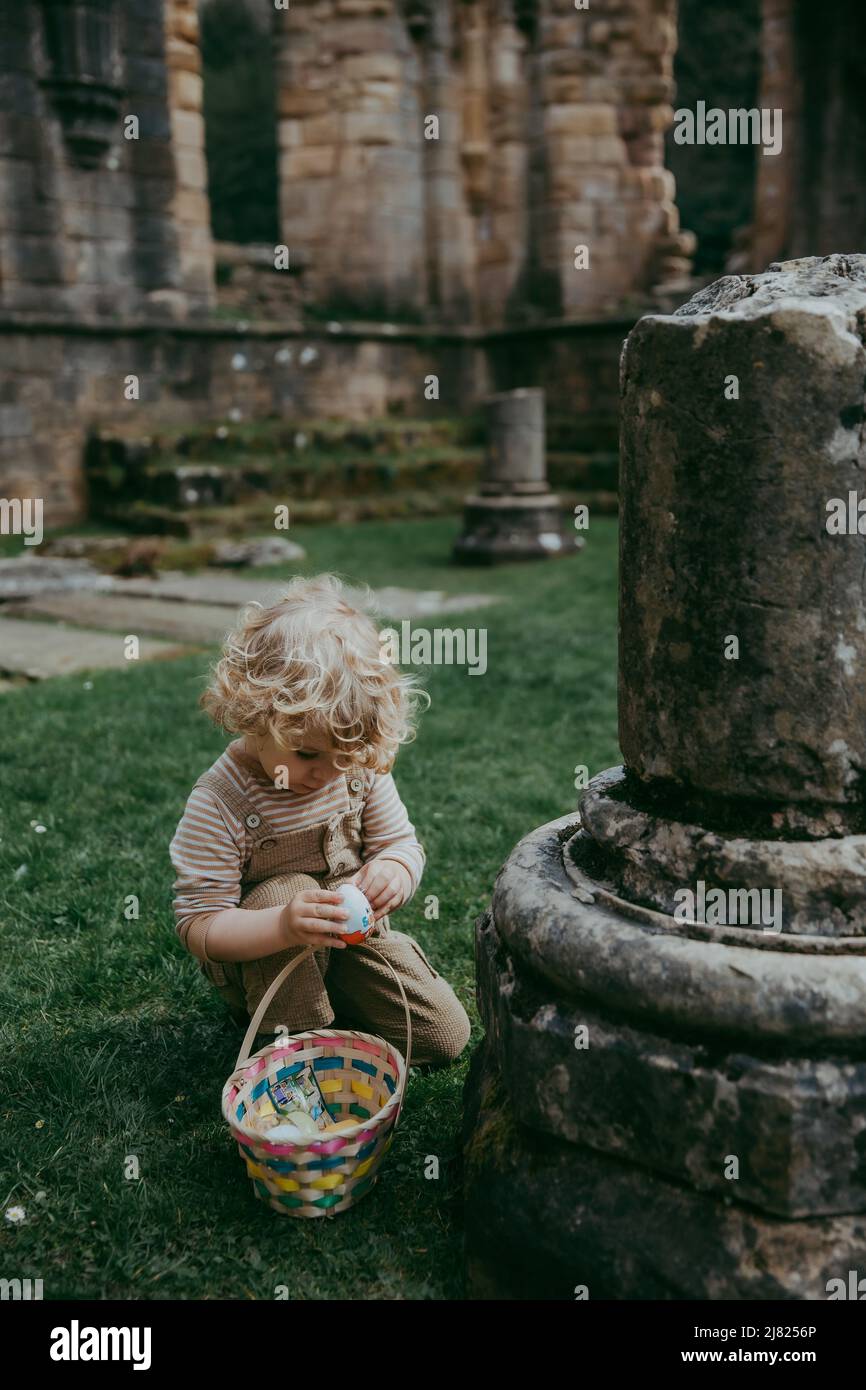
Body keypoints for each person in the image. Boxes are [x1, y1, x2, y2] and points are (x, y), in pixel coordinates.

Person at [170, 572, 471, 1068]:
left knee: (444, 1035)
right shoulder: (220, 801)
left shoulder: (353, 766)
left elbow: (402, 844)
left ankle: (333, 993)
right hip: (266, 961)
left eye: (344, 757)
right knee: (283, 889)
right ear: (255, 714)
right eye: (308, 753)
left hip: (348, 943)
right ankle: (293, 1044)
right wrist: (285, 926)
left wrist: (395, 871)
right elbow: (200, 925)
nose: (325, 775)